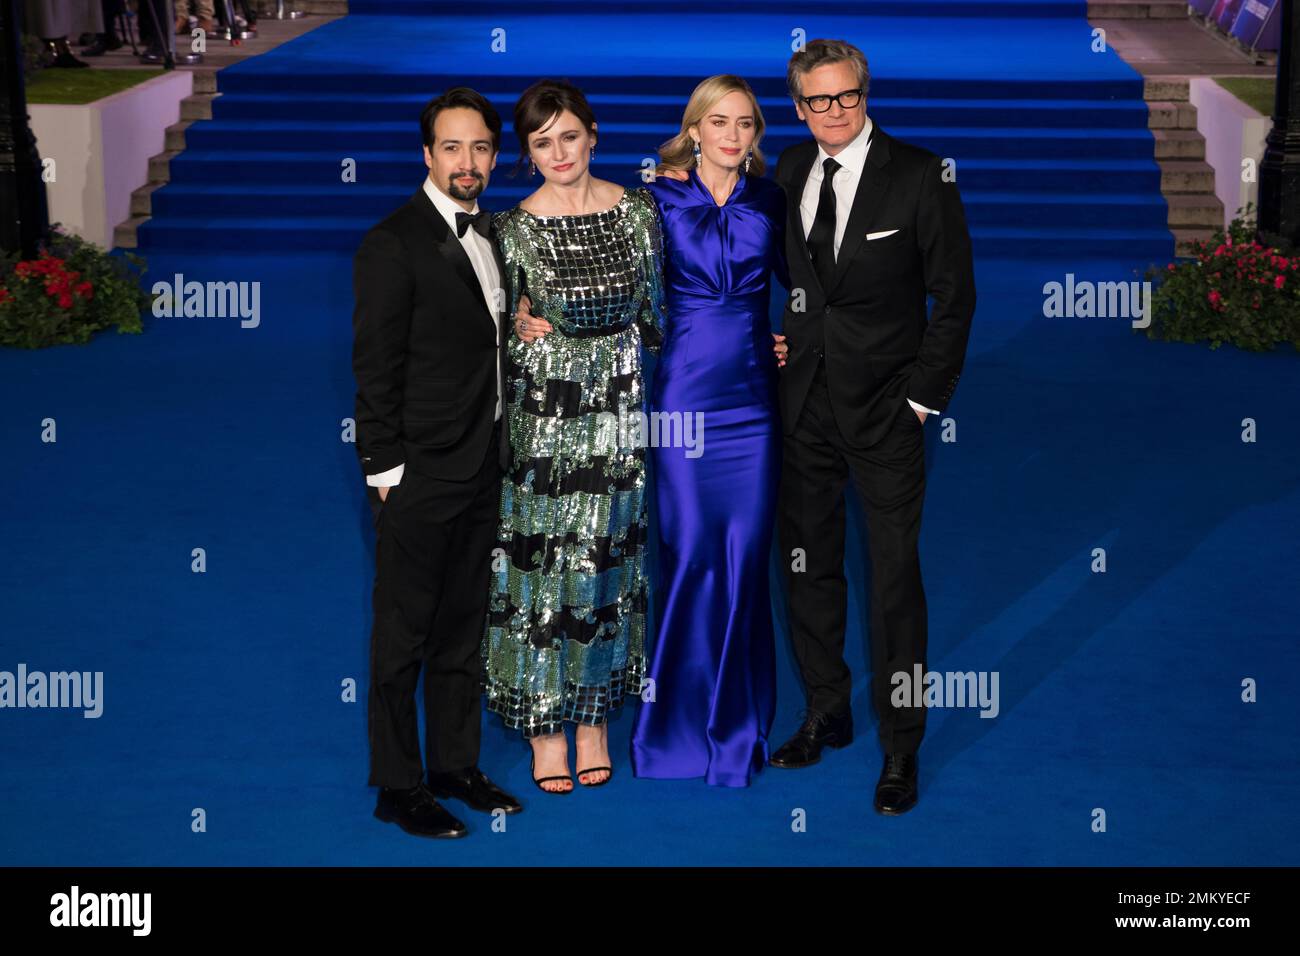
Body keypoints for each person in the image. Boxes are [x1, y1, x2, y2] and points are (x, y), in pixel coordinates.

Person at [770, 39, 975, 815]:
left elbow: (954, 298)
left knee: (894, 584)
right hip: (803, 407)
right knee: (806, 567)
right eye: (817, 101)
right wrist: (779, 334)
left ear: (866, 93)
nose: (833, 113)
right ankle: (827, 710)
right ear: (798, 106)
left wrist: (922, 400)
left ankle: (901, 747)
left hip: (888, 410)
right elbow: (780, 276)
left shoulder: (922, 175)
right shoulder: (787, 171)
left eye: (846, 97)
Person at [486, 79, 665, 794]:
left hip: (617, 412)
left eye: (568, 135)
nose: (558, 152)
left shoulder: (638, 211)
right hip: (542, 417)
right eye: (540, 142)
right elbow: (478, 326)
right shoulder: (508, 229)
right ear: (526, 154)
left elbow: (660, 315)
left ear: (593, 133)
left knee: (602, 560)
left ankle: (591, 718)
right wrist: (515, 330)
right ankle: (541, 723)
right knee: (539, 562)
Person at [352, 86, 521, 838]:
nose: (468, 161)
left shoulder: (496, 233)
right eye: (452, 147)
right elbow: (375, 367)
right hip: (419, 473)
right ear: (427, 155)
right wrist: (384, 471)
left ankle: (455, 766)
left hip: (485, 461)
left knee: (463, 629)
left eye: (481, 147)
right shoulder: (392, 242)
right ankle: (398, 785)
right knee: (403, 635)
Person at [628, 75, 789, 787]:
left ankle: (736, 725)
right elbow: (613, 286)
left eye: (745, 123)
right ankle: (674, 728)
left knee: (745, 555)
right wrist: (533, 314)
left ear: (756, 133)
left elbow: (811, 283)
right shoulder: (654, 200)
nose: (732, 134)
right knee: (691, 552)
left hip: (753, 405)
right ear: (693, 129)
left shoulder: (771, 198)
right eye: (717, 121)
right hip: (685, 402)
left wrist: (794, 338)